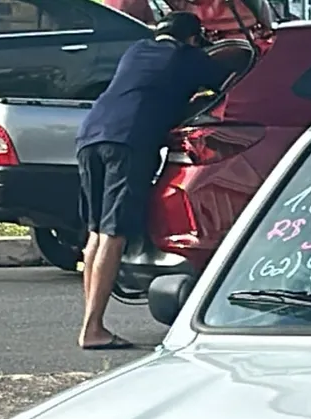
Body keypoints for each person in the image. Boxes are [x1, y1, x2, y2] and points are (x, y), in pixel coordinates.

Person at [73, 11, 230, 350]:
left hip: (90, 134)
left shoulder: (136, 51)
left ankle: (91, 322)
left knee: (97, 233)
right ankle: (93, 329)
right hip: (130, 140)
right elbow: (231, 83)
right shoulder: (188, 57)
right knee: (114, 233)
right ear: (192, 38)